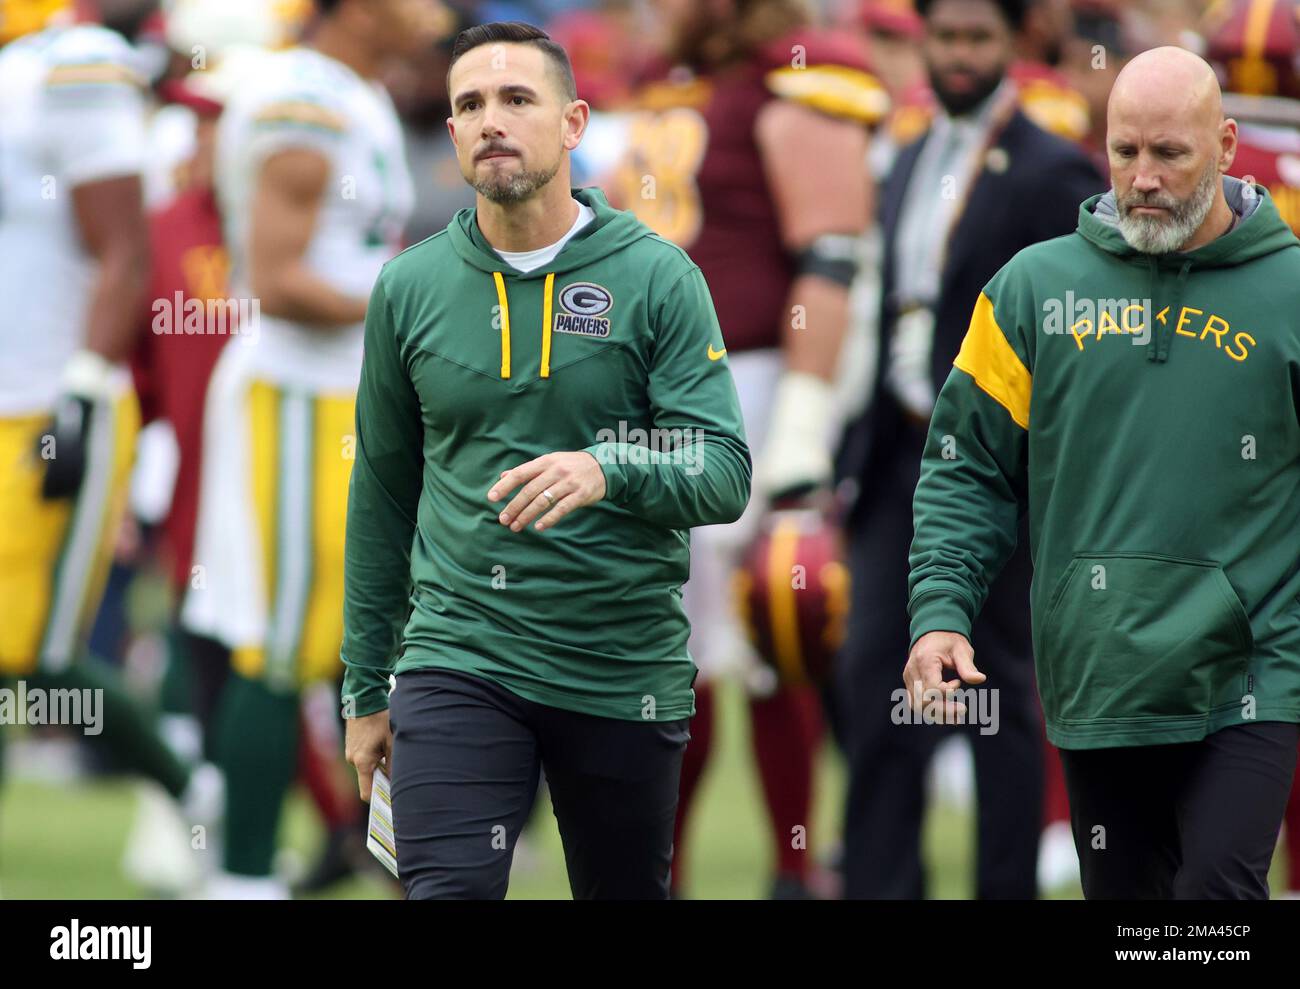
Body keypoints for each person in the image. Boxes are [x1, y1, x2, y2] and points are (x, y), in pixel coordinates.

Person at [341, 20, 751, 901]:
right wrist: (365, 685)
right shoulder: (407, 288)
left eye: (516, 99)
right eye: (470, 104)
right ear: (450, 133)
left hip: (620, 670)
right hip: (457, 657)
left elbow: (723, 468)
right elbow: (380, 492)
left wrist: (612, 465)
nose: (492, 119)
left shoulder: (659, 277)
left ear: (573, 124)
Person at [905, 46, 1300, 899]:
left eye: (1170, 153)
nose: (1144, 178)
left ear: (1226, 145)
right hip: (1100, 675)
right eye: (1126, 152)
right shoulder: (1030, 291)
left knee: (1215, 902)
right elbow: (965, 469)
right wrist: (941, 613)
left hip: (1253, 676)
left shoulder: (1291, 293)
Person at [611, 0, 886, 900]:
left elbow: (832, 262)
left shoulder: (797, 84)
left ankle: (795, 871)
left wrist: (799, 436)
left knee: (775, 636)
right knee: (661, 658)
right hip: (647, 397)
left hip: (751, 385)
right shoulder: (666, 87)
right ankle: (658, 873)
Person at [835, 0, 1102, 899]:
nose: (957, 56)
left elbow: (1075, 339)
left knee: (997, 701)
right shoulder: (908, 156)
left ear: (1012, 45)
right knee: (877, 693)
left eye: (977, 37)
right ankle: (881, 886)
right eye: (944, 37)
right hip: (894, 464)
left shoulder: (1052, 168)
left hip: (996, 470)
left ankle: (1003, 888)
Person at [181, 0, 442, 899]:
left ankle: (401, 862)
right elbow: (281, 277)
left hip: (347, 392)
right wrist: (425, 311)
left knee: (382, 637)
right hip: (299, 390)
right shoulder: (303, 96)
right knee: (281, 640)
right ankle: (243, 879)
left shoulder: (345, 89)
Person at [0, 0, 220, 871]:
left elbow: (124, 251)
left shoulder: (76, 63)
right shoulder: (23, 62)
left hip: (48, 403)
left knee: (30, 657)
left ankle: (187, 784)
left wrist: (86, 396)